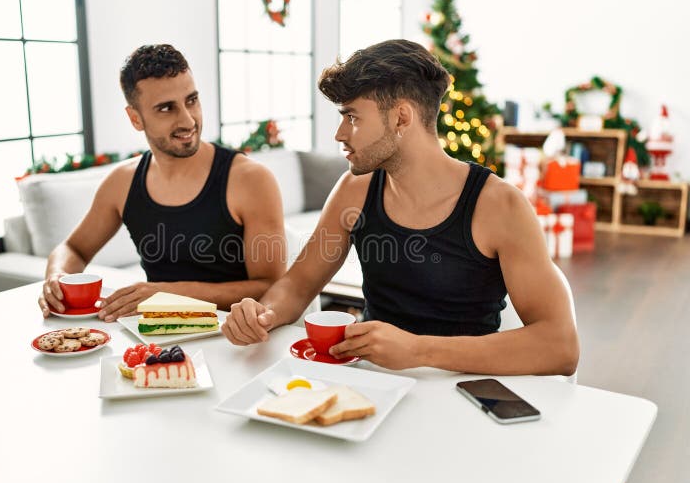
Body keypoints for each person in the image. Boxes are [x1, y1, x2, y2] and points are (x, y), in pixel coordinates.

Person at [221, 39, 579, 376]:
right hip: (371, 386)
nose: (340, 134)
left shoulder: (500, 205)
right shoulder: (355, 189)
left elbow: (560, 346)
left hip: (464, 392)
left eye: (353, 117)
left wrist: (419, 351)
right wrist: (262, 314)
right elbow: (297, 286)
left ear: (401, 118)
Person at [38, 44, 286, 321]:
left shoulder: (250, 180)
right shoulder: (122, 183)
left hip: (237, 339)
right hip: (156, 342)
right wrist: (57, 277)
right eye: (167, 108)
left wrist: (166, 294)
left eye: (191, 100)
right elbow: (73, 249)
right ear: (135, 118)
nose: (187, 119)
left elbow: (270, 287)